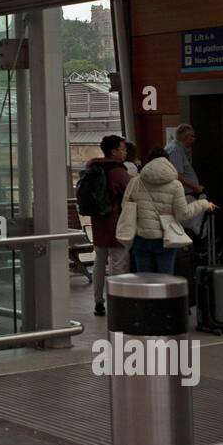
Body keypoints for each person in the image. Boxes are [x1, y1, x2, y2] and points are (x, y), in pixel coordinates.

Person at [119, 150, 216, 275]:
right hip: (165, 238)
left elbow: (125, 207)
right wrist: (204, 204)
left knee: (144, 281)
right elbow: (183, 214)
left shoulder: (135, 182)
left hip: (141, 238)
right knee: (165, 280)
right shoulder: (175, 185)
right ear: (168, 162)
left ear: (149, 162)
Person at [87, 135, 134, 316]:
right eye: (123, 149)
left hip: (98, 223)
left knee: (99, 262)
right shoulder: (116, 170)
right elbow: (133, 190)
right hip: (116, 222)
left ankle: (98, 301)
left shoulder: (92, 167)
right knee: (118, 263)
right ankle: (117, 303)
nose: (125, 151)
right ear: (114, 151)